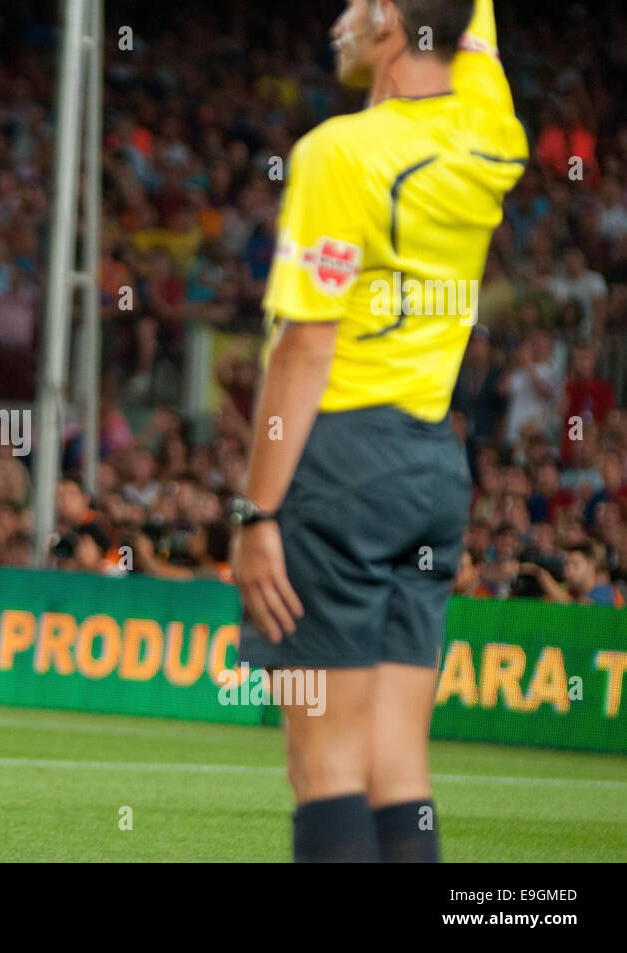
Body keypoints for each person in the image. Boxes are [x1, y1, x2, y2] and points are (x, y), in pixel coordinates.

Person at [229, 0, 525, 862]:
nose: (338, 21)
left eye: (357, 7)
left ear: (392, 19)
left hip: (338, 461)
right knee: (398, 766)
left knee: (325, 768)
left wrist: (256, 514)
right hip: (432, 465)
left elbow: (305, 346)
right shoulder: (491, 128)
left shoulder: (339, 154)